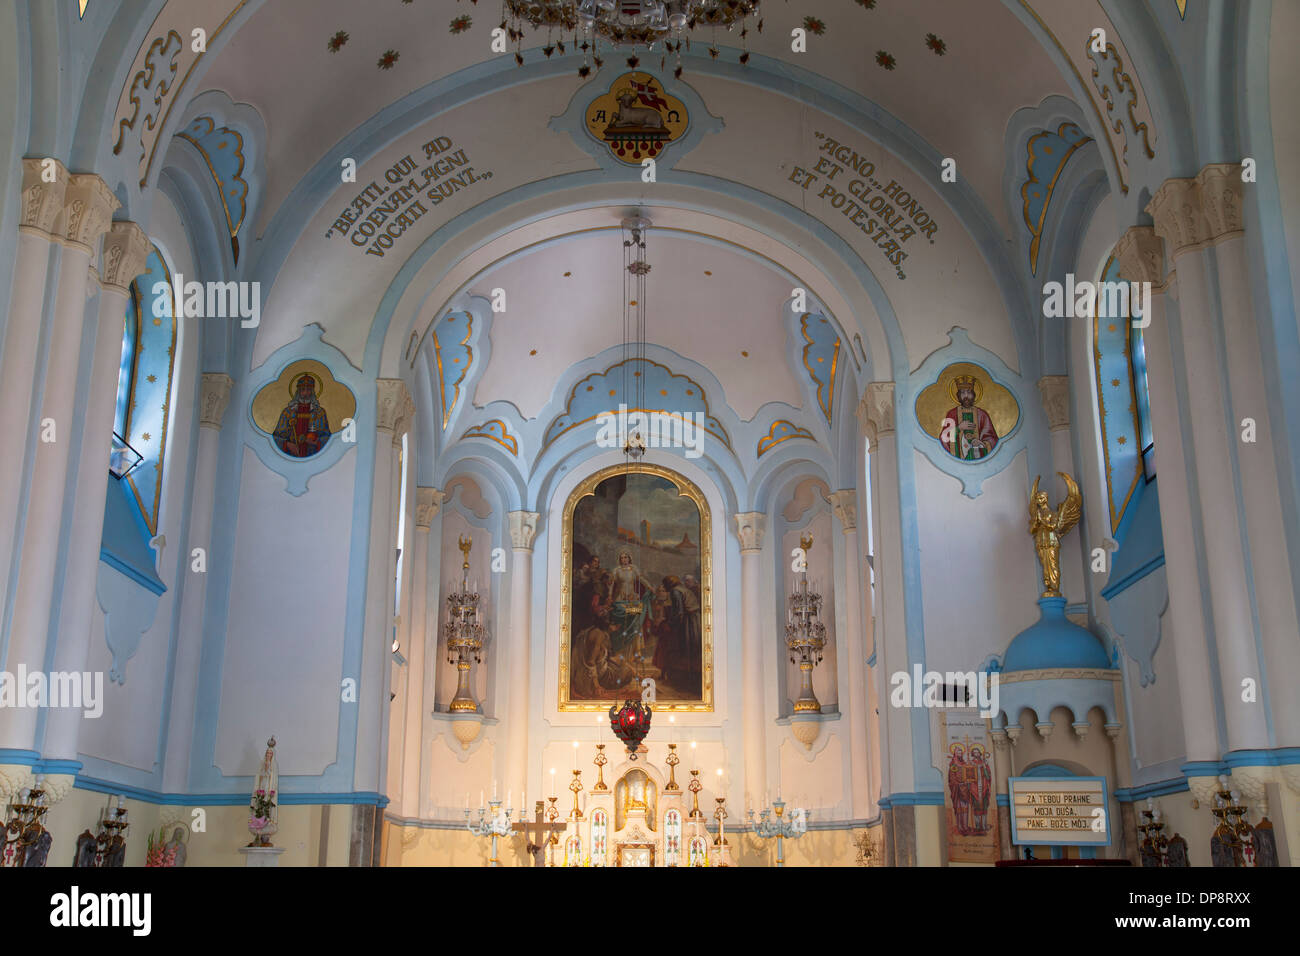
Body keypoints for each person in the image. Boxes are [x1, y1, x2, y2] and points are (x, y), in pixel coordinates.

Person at [273, 374, 331, 457]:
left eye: (308, 390)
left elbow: (327, 437)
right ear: (298, 392)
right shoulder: (288, 412)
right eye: (303, 389)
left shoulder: (319, 412)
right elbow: (276, 437)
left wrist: (317, 442)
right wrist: (287, 444)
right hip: (291, 454)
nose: (305, 393)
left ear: (313, 392)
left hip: (312, 453)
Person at [941, 375, 998, 460]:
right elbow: (944, 438)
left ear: (973, 394)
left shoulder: (982, 414)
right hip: (958, 459)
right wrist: (959, 428)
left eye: (969, 392)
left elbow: (992, 438)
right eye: (963, 392)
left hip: (978, 456)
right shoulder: (952, 414)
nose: (966, 396)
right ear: (959, 395)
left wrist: (982, 443)